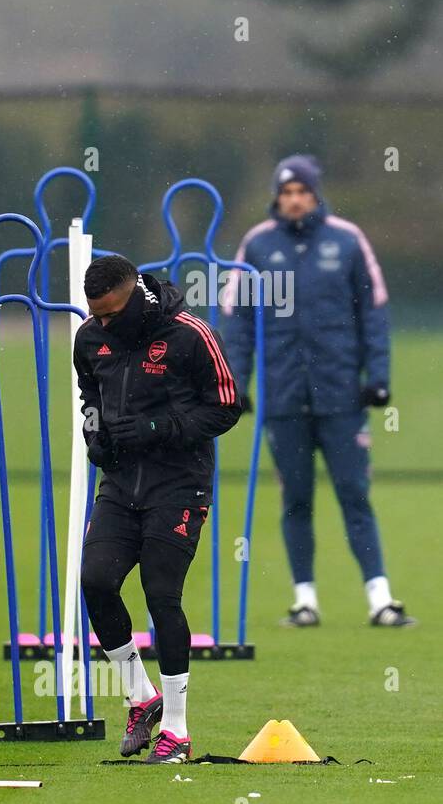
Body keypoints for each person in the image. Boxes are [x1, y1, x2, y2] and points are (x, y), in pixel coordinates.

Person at [223, 154, 413, 628]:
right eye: (285, 193)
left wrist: (379, 376)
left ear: (316, 194)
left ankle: (380, 600)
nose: (293, 200)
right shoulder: (257, 245)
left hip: (341, 395)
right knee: (296, 499)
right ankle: (304, 601)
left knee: (354, 493)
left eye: (302, 192)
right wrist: (235, 381)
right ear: (276, 198)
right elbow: (237, 319)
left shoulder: (347, 241)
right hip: (282, 397)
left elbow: (374, 311)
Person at [75, 255, 242, 763]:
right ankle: (140, 696)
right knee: (96, 581)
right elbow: (91, 395)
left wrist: (159, 427)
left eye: (110, 314)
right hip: (120, 484)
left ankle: (176, 729)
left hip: (179, 485)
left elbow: (228, 404)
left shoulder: (190, 334)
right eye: (95, 315)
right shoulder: (88, 338)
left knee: (160, 595)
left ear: (135, 297)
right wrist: (94, 433)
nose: (102, 324)